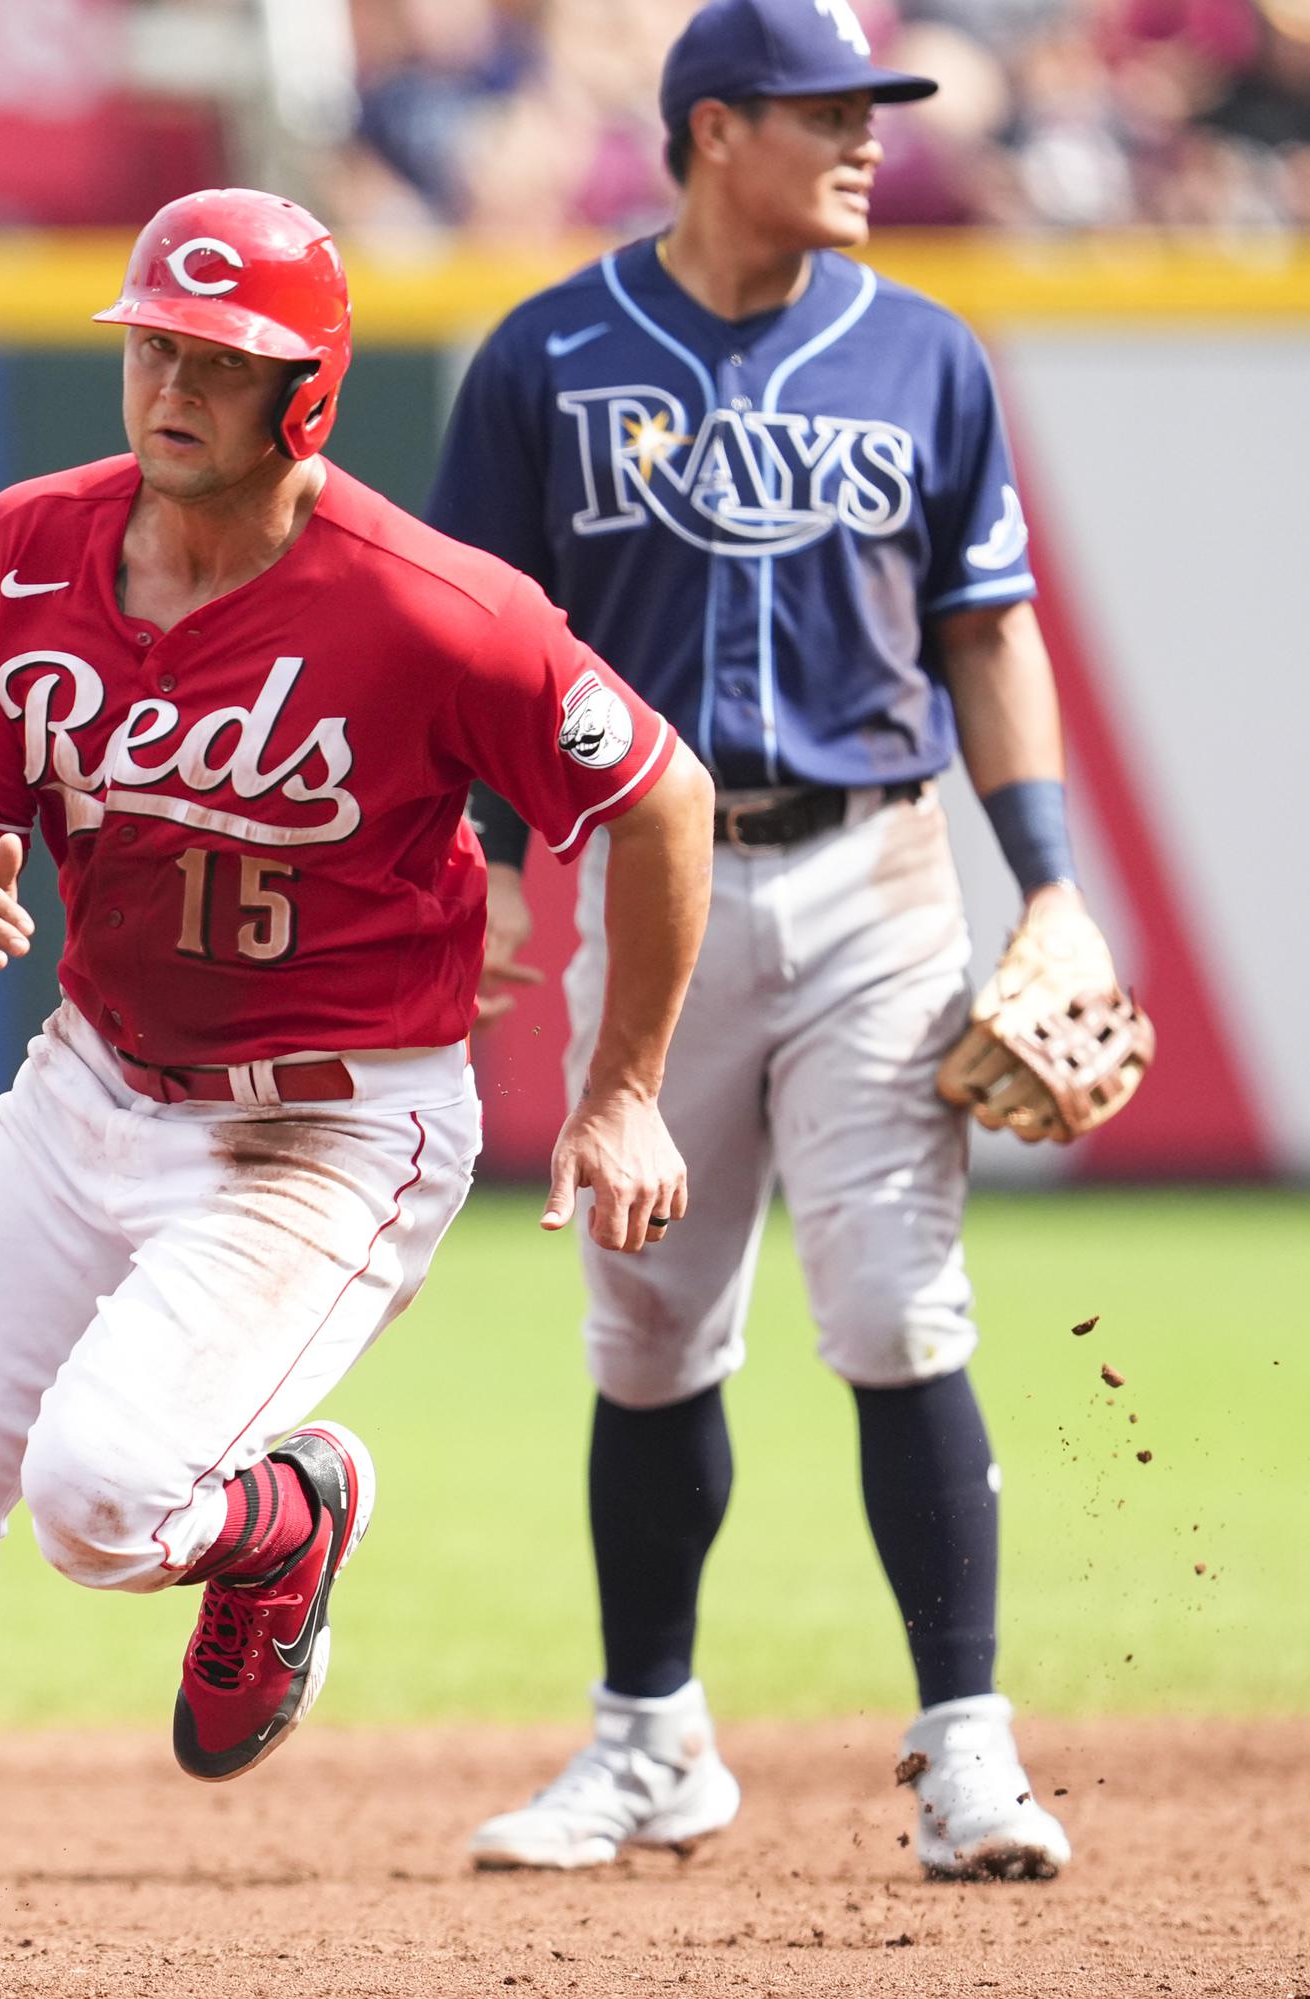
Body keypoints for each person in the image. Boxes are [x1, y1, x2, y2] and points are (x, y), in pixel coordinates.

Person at [0, 188, 715, 1987]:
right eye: (151, 343)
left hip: (330, 1122)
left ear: (304, 392)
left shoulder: (431, 606)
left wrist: (623, 1083)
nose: (167, 380)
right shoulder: (31, 543)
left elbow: (663, 796)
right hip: (95, 1070)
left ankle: (295, 1507)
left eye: (218, 358)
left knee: (101, 1496)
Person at [432, 0, 1120, 1882]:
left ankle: (968, 1747)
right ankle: (651, 1738)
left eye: (874, 111)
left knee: (901, 1307)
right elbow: (477, 643)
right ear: (713, 127)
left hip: (878, 878)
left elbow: (987, 629)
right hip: (646, 899)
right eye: (832, 113)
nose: (872, 143)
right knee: (649, 1332)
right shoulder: (548, 359)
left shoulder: (924, 353)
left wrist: (1045, 876)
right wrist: (488, 858)